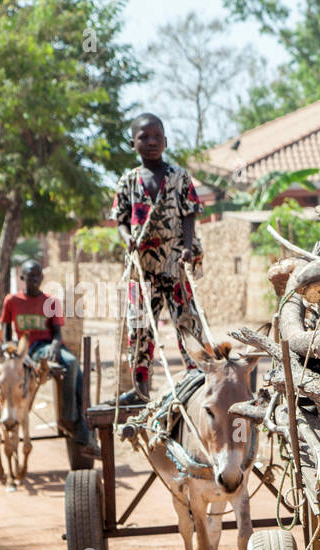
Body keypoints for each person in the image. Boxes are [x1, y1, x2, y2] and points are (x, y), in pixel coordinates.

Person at [110, 112, 205, 404]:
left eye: (157, 137)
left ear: (166, 141)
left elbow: (189, 214)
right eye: (144, 137)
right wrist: (128, 241)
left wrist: (188, 247)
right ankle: (141, 388)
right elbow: (121, 220)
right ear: (132, 143)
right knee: (140, 327)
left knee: (187, 320)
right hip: (142, 268)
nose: (152, 142)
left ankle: (197, 376)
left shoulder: (179, 177)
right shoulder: (128, 181)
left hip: (174, 262)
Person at [0, 259, 98, 454]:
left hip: (49, 346)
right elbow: (7, 335)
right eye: (30, 276)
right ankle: (71, 420)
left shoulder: (51, 301)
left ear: (42, 278)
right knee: (70, 364)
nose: (34, 280)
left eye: (37, 276)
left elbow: (57, 333)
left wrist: (54, 344)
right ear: (22, 278)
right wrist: (11, 353)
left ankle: (78, 421)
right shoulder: (12, 301)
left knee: (76, 370)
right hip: (29, 349)